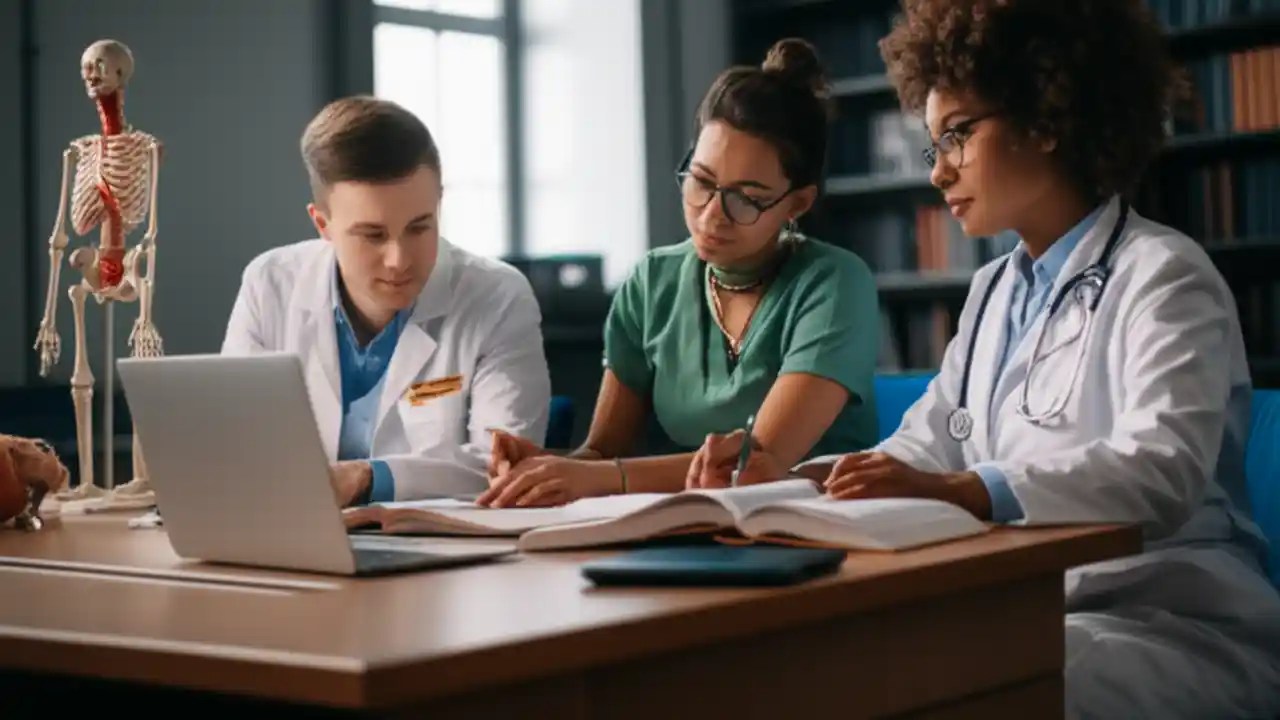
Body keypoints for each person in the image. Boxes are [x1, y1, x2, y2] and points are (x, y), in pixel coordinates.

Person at [700, 2, 1280, 718]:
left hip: (1167, 624)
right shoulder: (993, 290)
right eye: (932, 146)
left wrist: (969, 491)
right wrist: (791, 479)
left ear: (1047, 115)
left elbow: (1160, 469)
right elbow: (924, 443)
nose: (939, 173)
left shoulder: (1163, 274)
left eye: (958, 136)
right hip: (1028, 606)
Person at [478, 38, 881, 508]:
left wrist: (590, 476)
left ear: (797, 203)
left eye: (746, 198)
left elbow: (755, 465)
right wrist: (545, 464)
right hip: (689, 525)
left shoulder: (834, 284)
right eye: (702, 182)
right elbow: (607, 453)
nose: (712, 216)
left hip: (818, 525)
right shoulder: (652, 282)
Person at [221, 96, 551, 506]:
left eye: (419, 227)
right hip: (288, 532)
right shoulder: (270, 283)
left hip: (437, 549)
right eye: (372, 235)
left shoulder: (498, 297)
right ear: (322, 224)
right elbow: (237, 443)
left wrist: (365, 478)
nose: (399, 260)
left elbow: (504, 468)